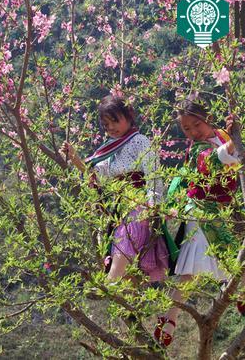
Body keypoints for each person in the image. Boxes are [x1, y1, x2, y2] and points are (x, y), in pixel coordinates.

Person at [154, 97, 245, 347]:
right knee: (198, 266)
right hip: (201, 209)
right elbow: (214, 160)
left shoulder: (223, 136)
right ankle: (171, 319)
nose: (192, 132)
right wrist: (235, 141)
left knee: (231, 255)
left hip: (221, 210)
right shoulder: (201, 149)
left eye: (196, 125)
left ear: (208, 119)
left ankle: (244, 297)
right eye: (186, 129)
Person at [62, 94, 169, 284]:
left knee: (124, 246)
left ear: (129, 115)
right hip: (120, 211)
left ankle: (109, 284)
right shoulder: (109, 150)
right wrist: (75, 158)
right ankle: (131, 311)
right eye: (106, 124)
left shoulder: (140, 141)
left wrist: (154, 209)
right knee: (130, 271)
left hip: (138, 208)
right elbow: (96, 175)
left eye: (115, 121)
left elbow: (153, 175)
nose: (111, 128)